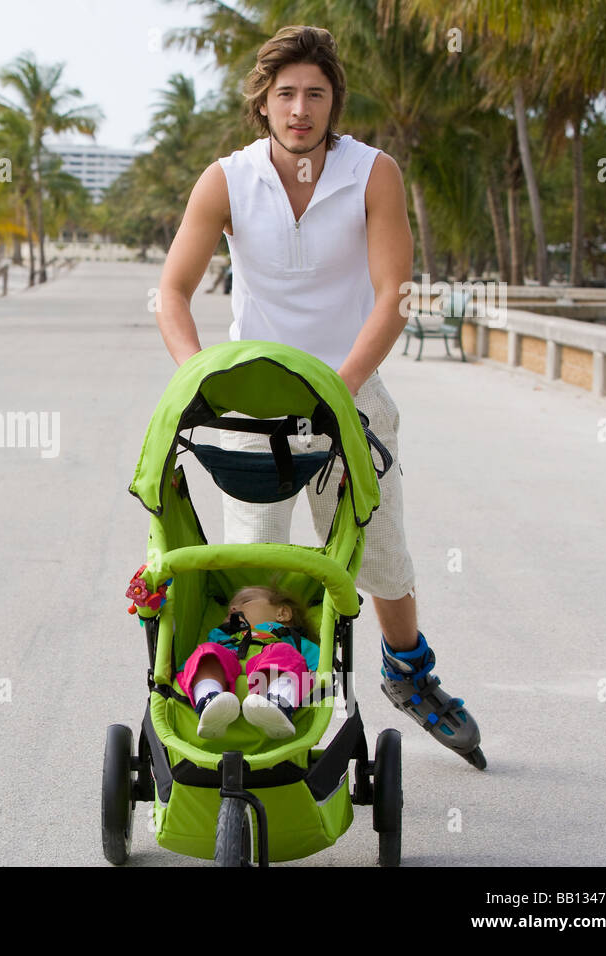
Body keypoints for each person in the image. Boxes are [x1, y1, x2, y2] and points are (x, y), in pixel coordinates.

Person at [153, 25, 481, 765]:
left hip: (350, 398)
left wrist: (343, 387)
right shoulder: (226, 180)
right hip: (253, 414)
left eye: (316, 94)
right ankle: (261, 708)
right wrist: (199, 375)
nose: (300, 108)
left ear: (335, 105)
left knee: (383, 563)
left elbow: (393, 295)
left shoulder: (373, 174)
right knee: (257, 573)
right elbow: (171, 292)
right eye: (286, 94)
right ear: (263, 105)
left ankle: (409, 672)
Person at [179, 584, 319, 741]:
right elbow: (194, 663)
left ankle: (279, 704)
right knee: (208, 652)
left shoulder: (292, 642)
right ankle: (209, 701)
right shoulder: (221, 638)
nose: (232, 608)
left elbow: (316, 665)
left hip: (268, 677)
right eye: (228, 611)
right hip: (229, 663)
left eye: (246, 601)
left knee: (284, 654)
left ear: (282, 613)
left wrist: (315, 675)